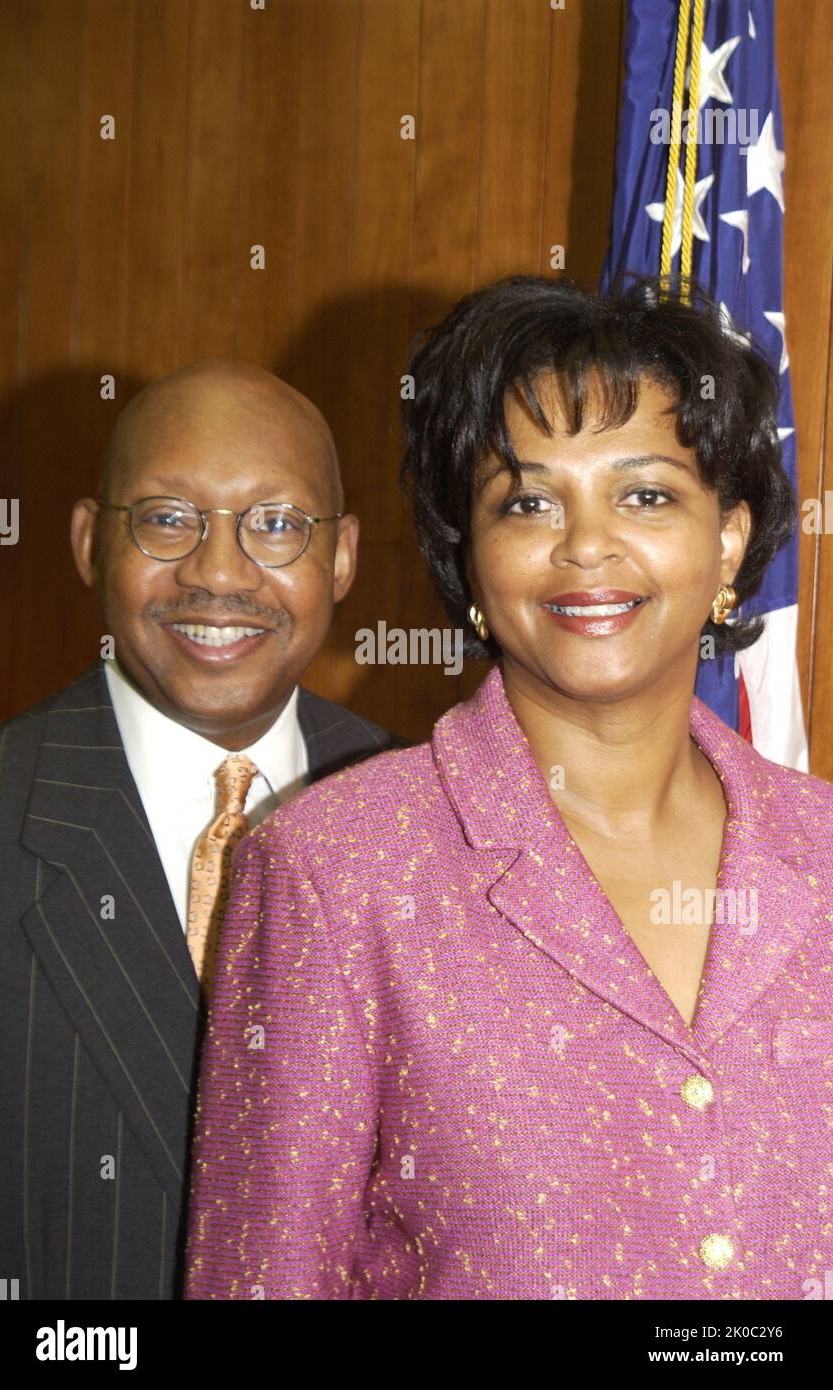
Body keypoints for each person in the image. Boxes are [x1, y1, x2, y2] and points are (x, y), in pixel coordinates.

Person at [185, 274, 833, 1302]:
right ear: (470, 559)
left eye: (646, 493)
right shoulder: (334, 872)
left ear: (727, 538)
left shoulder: (822, 854)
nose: (586, 546)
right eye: (527, 501)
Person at [0, 359, 403, 1300]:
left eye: (277, 525)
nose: (218, 573)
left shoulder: (438, 819)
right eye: (168, 519)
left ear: (340, 558)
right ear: (92, 543)